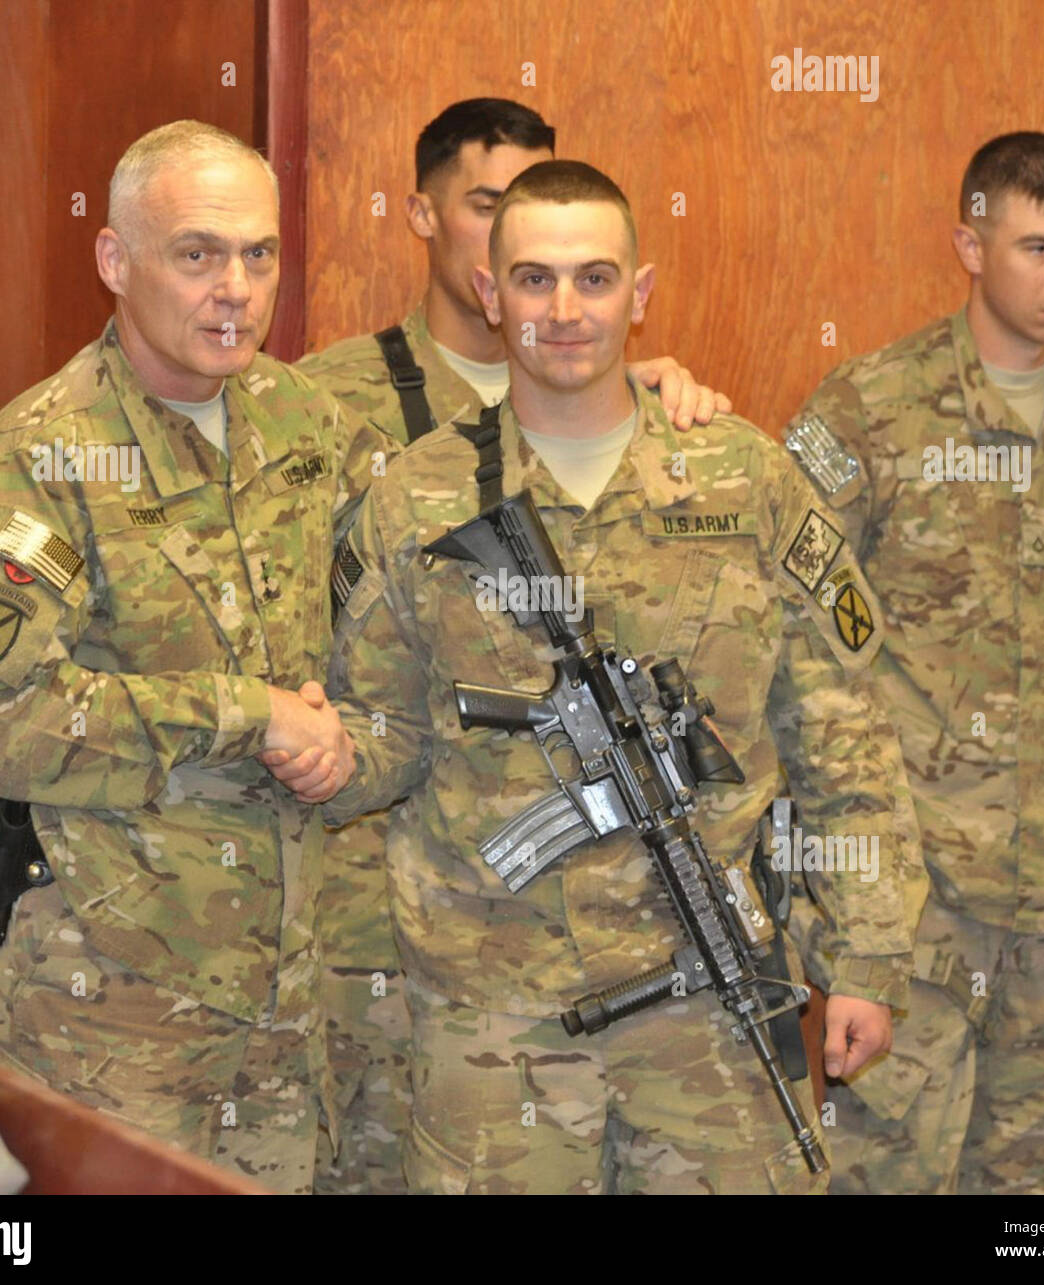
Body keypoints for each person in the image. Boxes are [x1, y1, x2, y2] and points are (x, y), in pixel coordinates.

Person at [270, 159, 924, 1193]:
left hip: (713, 1001)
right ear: (489, 293)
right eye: (532, 279)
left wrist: (869, 963)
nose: (564, 309)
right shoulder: (417, 498)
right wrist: (319, 750)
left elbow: (845, 736)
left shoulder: (745, 478)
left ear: (641, 293)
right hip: (495, 1016)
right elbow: (386, 727)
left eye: (594, 279)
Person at [0, 120, 386, 1194]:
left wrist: (616, 388)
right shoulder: (42, 458)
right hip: (108, 1004)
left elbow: (418, 583)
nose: (236, 288)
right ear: (115, 261)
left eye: (259, 254)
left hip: (285, 993)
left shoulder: (305, 420)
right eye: (197, 253)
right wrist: (244, 712)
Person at [298, 98, 733, 1194]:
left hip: (630, 943)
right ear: (437, 224)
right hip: (409, 924)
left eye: (587, 272)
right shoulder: (324, 407)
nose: (553, 292)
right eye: (491, 212)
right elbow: (345, 680)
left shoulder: (654, 419)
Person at [784, 131, 1044, 1194]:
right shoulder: (870, 409)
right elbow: (793, 645)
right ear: (969, 242)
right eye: (1038, 247)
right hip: (915, 899)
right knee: (883, 1165)